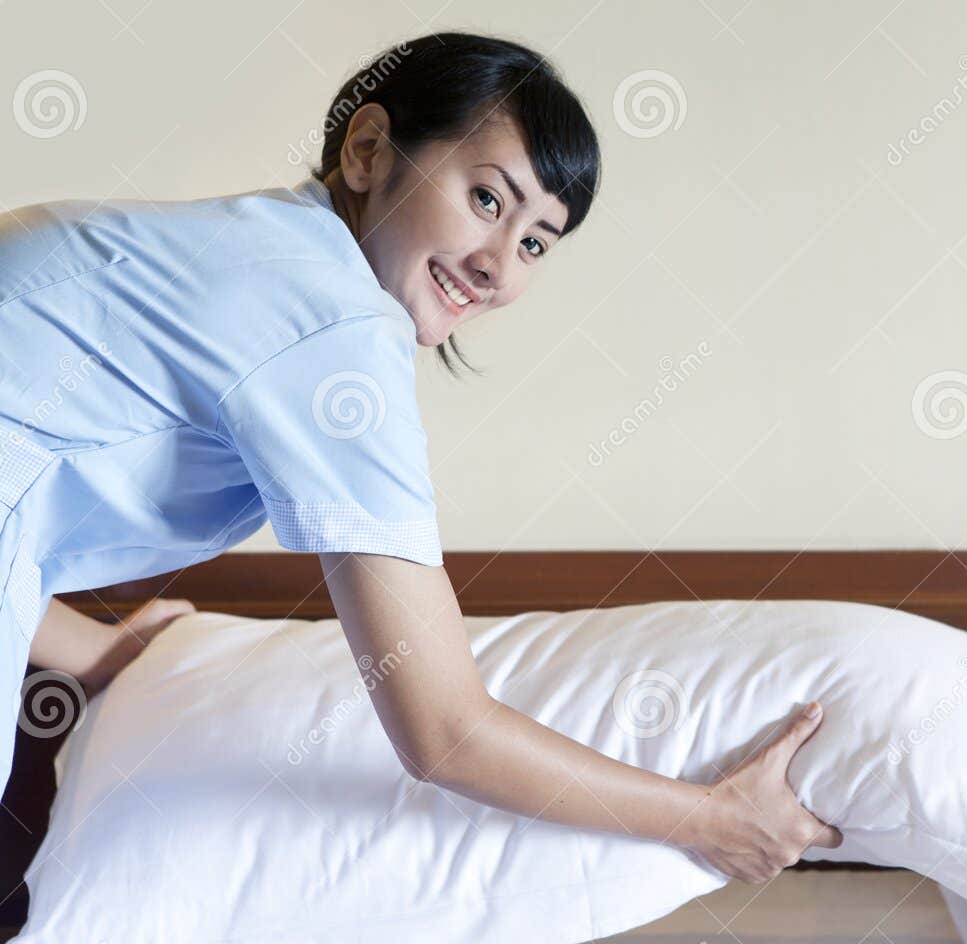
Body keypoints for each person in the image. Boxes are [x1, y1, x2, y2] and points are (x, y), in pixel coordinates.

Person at [0, 31, 840, 883]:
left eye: (535, 242)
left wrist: (93, 651)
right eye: (486, 197)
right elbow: (444, 731)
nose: (497, 265)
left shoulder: (266, 251)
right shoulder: (334, 328)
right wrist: (712, 818)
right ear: (368, 150)